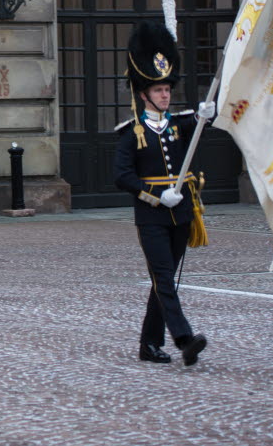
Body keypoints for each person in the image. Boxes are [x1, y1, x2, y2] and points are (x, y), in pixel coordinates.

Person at [114, 18, 214, 367]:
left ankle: (149, 345)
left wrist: (207, 114)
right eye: (158, 91)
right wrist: (155, 197)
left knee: (164, 280)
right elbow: (122, 176)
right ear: (143, 94)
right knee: (162, 278)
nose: (165, 94)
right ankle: (184, 338)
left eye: (168, 89)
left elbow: (202, 124)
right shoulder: (132, 132)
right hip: (152, 214)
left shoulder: (179, 123)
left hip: (182, 213)